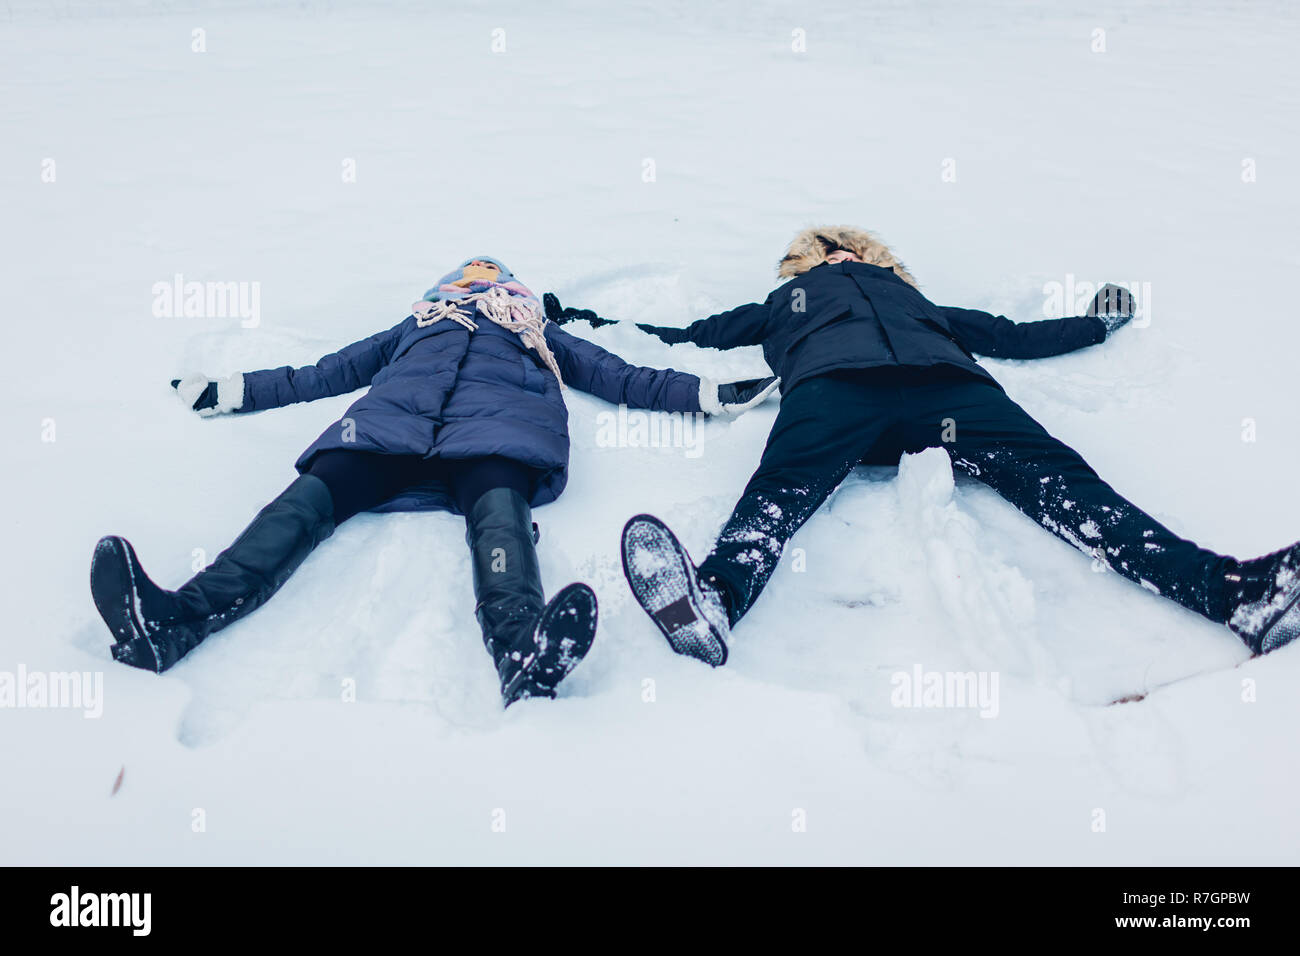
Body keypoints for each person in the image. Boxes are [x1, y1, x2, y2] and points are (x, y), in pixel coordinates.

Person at [545, 226, 1300, 666]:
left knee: (1071, 489)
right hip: (836, 392)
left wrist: (1094, 324)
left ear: (878, 260)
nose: (841, 258)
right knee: (778, 490)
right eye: (824, 252)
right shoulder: (784, 305)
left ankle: (1236, 595)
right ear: (804, 266)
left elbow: (1010, 336)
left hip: (951, 392)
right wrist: (570, 318)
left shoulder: (919, 302)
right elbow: (686, 337)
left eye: (852, 250)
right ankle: (712, 601)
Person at [90, 257, 778, 705]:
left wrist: (710, 395)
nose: (482, 290)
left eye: (495, 281)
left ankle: (521, 651)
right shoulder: (415, 329)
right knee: (303, 501)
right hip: (385, 436)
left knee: (500, 519)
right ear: (444, 291)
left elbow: (620, 376)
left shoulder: (535, 333)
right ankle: (173, 621)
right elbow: (323, 372)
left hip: (495, 437)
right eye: (470, 280)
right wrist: (230, 390)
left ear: (515, 293)